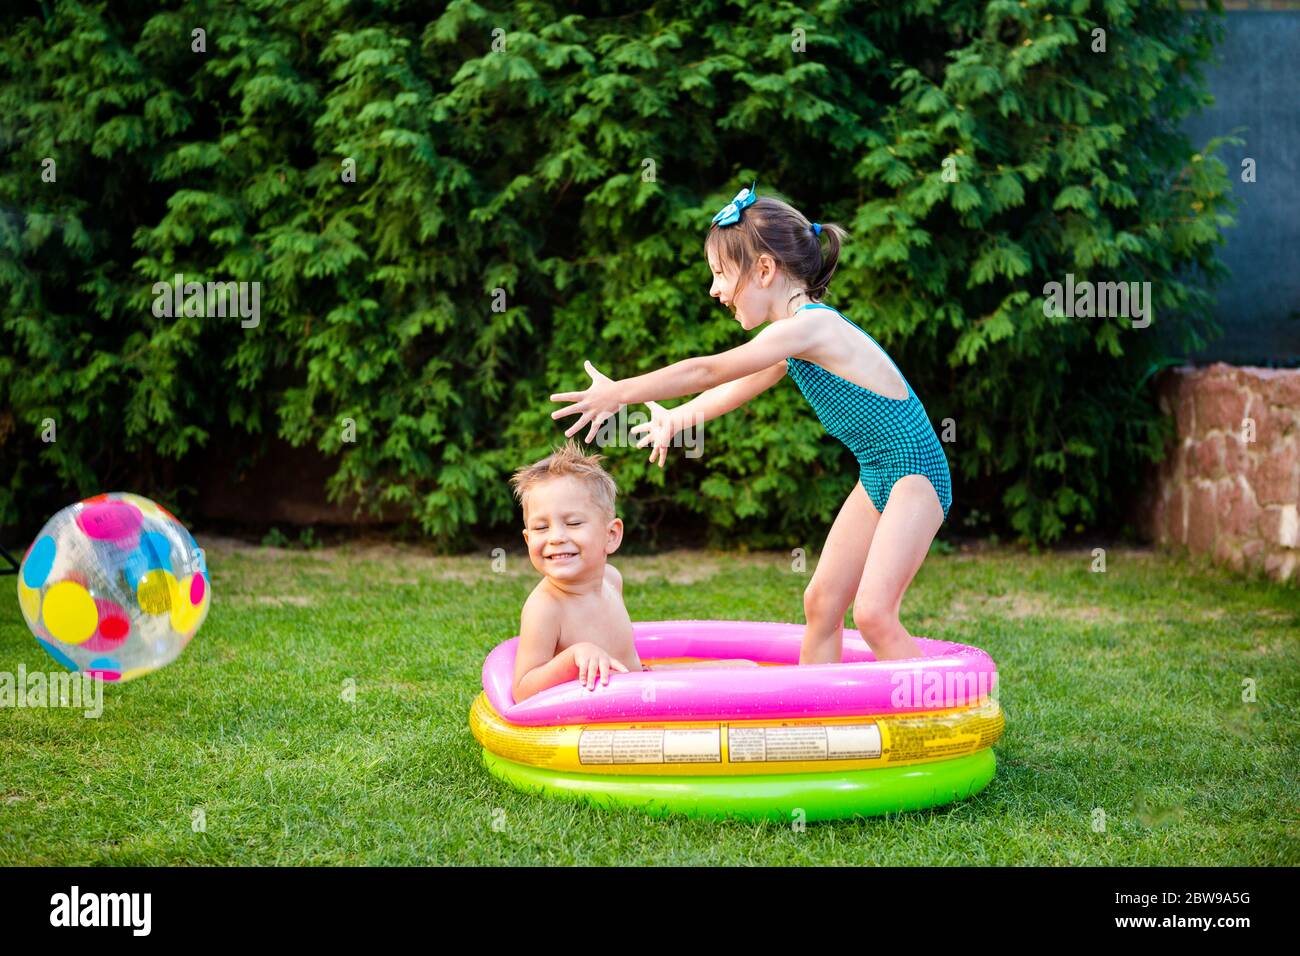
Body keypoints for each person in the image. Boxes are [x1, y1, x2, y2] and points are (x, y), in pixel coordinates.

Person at [551, 184, 952, 664]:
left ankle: (934, 716)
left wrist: (620, 392)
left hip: (916, 473)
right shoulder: (793, 341)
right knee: (821, 603)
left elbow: (709, 369)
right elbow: (737, 384)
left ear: (764, 269)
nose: (714, 289)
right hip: (879, 475)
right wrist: (678, 418)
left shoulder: (812, 327)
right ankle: (816, 720)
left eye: (721, 274)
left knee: (873, 614)